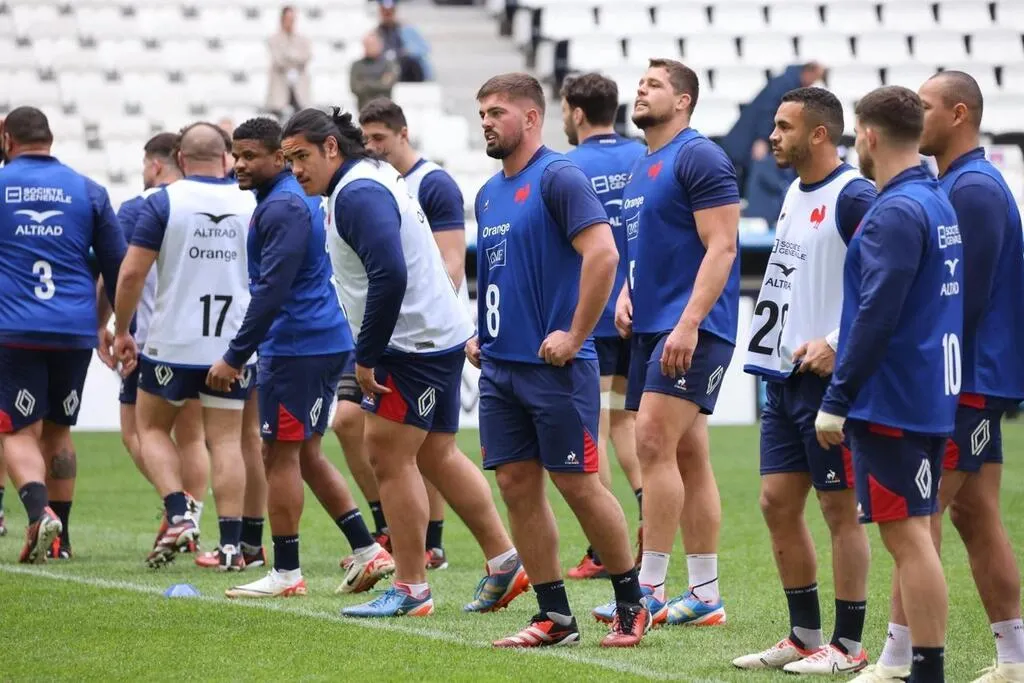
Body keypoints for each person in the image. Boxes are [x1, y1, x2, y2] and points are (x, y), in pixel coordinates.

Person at [281, 107, 528, 618]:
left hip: (410, 343)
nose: (296, 169)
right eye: (288, 160)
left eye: (302, 156)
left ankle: (412, 586)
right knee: (437, 455)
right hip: (431, 334)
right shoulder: (361, 181)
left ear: (332, 148)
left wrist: (367, 356)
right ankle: (505, 561)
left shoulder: (357, 192)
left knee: (389, 458)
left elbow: (389, 274)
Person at [854, 72, 1024, 683]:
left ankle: (902, 659)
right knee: (974, 515)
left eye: (924, 106)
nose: (914, 116)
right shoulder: (953, 183)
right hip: (970, 377)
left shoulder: (972, 188)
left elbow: (962, 300)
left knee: (916, 521)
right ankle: (1014, 657)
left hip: (964, 381)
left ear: (958, 114)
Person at [472, 72, 649, 648]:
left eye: (496, 112)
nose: (486, 122)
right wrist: (482, 334)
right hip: (501, 368)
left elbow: (603, 254)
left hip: (556, 369)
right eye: (481, 113)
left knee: (579, 485)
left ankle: (630, 603)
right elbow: (501, 275)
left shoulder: (560, 176)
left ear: (531, 117)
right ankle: (555, 617)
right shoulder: (488, 191)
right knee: (517, 486)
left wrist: (575, 335)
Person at [207, 117, 393, 598]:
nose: (240, 164)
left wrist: (234, 355)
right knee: (305, 454)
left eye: (251, 156)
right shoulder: (289, 199)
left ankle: (286, 571)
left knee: (279, 454)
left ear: (279, 158)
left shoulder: (284, 205)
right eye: (236, 154)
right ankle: (368, 549)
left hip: (297, 345)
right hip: (316, 339)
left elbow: (273, 289)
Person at [815, 85, 962, 683]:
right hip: (928, 393)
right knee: (918, 533)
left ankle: (926, 669)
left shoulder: (895, 211)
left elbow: (876, 314)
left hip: (894, 399)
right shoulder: (934, 201)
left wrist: (837, 399)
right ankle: (912, 662)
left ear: (868, 135)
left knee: (909, 539)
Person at [732, 87, 876, 674]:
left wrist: (838, 344)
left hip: (827, 381)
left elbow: (889, 280)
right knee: (775, 503)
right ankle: (802, 634)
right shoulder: (793, 190)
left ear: (820, 133)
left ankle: (847, 644)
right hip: (783, 375)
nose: (773, 136)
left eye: (785, 127)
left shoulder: (855, 196)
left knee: (838, 509)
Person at [608, 59, 739, 627]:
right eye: (639, 84)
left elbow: (723, 246)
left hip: (691, 327)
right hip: (652, 323)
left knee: (652, 442)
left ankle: (650, 589)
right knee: (687, 453)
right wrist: (626, 292)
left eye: (654, 85)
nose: (641, 91)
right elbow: (651, 248)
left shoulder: (698, 154)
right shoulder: (643, 166)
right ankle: (705, 594)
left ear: (683, 100)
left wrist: (687, 324)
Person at [113, 122, 256, 569]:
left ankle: (179, 511)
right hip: (231, 345)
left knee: (149, 429)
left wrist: (122, 330)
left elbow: (132, 273)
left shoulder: (163, 202)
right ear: (227, 156)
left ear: (179, 155)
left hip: (173, 342)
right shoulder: (252, 201)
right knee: (226, 443)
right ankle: (232, 546)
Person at [0, 106, 126, 563]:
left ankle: (38, 513)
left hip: (13, 329)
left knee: (15, 431)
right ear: (49, 140)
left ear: (7, 140)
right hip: (72, 332)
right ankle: (61, 541)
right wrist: (116, 328)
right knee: (59, 431)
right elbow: (118, 268)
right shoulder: (88, 190)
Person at [355, 96, 472, 570]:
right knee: (422, 446)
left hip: (423, 337)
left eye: (379, 138)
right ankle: (419, 540)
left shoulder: (432, 182)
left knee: (424, 447)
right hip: (393, 333)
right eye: (365, 140)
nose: (372, 147)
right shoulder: (374, 184)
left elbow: (452, 266)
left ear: (404, 134)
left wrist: (409, 314)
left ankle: (427, 544)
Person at [96, 133, 212, 557]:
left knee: (139, 432)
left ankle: (176, 509)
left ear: (159, 164)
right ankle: (189, 517)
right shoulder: (211, 204)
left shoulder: (140, 207)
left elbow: (118, 271)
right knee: (193, 436)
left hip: (150, 338)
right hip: (202, 338)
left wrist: (105, 324)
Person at [558, 73, 645, 580]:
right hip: (642, 311)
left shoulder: (565, 167)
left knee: (595, 428)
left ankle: (602, 546)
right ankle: (648, 523)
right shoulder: (643, 158)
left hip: (594, 313)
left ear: (574, 112)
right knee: (631, 426)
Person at [266, 6, 311, 118]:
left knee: (300, 120)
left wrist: (288, 56)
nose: (290, 22)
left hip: (298, 90)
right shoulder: (274, 39)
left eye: (293, 19)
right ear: (282, 20)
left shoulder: (302, 39)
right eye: (288, 19)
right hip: (280, 89)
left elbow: (306, 57)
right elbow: (278, 60)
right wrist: (295, 57)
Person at [376, 0, 433, 82]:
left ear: (395, 11)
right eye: (385, 12)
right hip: (386, 71)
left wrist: (407, 51)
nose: (387, 15)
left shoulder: (407, 30)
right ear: (380, 12)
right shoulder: (375, 33)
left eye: (390, 12)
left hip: (407, 70)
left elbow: (425, 48)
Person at [350, 34, 401, 113]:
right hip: (364, 113)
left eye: (373, 44)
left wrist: (366, 83)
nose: (370, 47)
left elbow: (387, 85)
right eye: (368, 45)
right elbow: (355, 88)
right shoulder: (356, 66)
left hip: (385, 111)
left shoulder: (389, 65)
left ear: (380, 45)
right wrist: (379, 82)